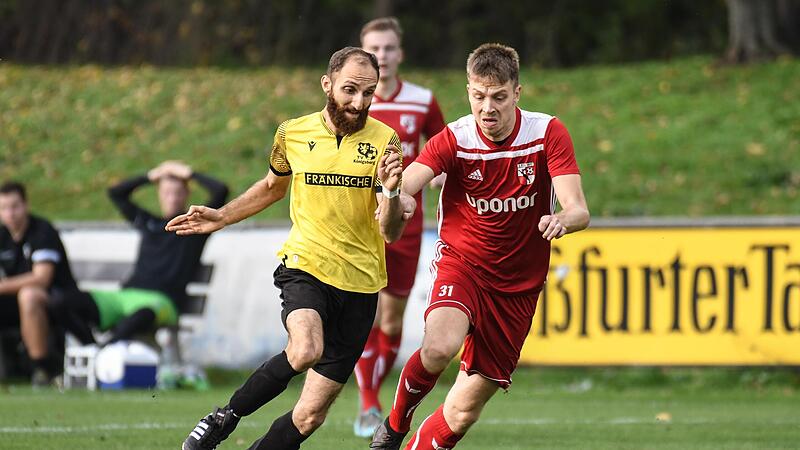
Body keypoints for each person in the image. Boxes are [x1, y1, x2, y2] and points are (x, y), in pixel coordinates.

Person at [168, 47, 414, 450]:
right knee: (304, 349)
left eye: (368, 93)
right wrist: (223, 216)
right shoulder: (292, 133)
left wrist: (390, 190)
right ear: (327, 84)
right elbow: (271, 187)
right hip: (306, 266)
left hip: (362, 286)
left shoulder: (386, 142)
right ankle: (223, 419)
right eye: (349, 90)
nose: (358, 103)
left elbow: (389, 232)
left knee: (310, 415)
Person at [370, 43, 591, 450]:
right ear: (468, 90)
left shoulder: (546, 133)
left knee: (463, 412)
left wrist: (562, 218)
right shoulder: (455, 137)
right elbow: (412, 182)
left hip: (519, 286)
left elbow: (579, 209)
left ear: (517, 93)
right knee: (438, 348)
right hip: (463, 264)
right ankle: (394, 427)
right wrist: (395, 194)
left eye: (498, 97)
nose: (487, 107)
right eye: (478, 96)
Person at [354, 17, 447, 438]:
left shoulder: (422, 101)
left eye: (389, 48)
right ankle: (369, 404)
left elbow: (446, 151)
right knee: (361, 315)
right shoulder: (353, 102)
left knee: (391, 323)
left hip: (407, 227)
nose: (383, 56)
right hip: (359, 226)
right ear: (361, 53)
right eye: (374, 48)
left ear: (400, 53)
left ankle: (371, 395)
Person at [48, 161, 228, 347]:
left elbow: (221, 191)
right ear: (159, 194)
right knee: (59, 302)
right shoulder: (148, 222)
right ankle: (91, 348)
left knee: (143, 314)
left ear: (187, 194)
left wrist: (188, 173)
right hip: (125, 296)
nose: (172, 198)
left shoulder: (195, 227)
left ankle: (105, 352)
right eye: (167, 192)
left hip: (162, 302)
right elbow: (116, 194)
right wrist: (151, 176)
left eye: (178, 192)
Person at [0, 181, 78, 386]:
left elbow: (42, 278)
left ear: (26, 205)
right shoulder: (2, 236)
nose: (10, 213)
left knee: (29, 295)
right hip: (13, 303)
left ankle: (43, 367)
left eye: (15, 206)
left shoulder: (42, 232)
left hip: (56, 300)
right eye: (4, 208)